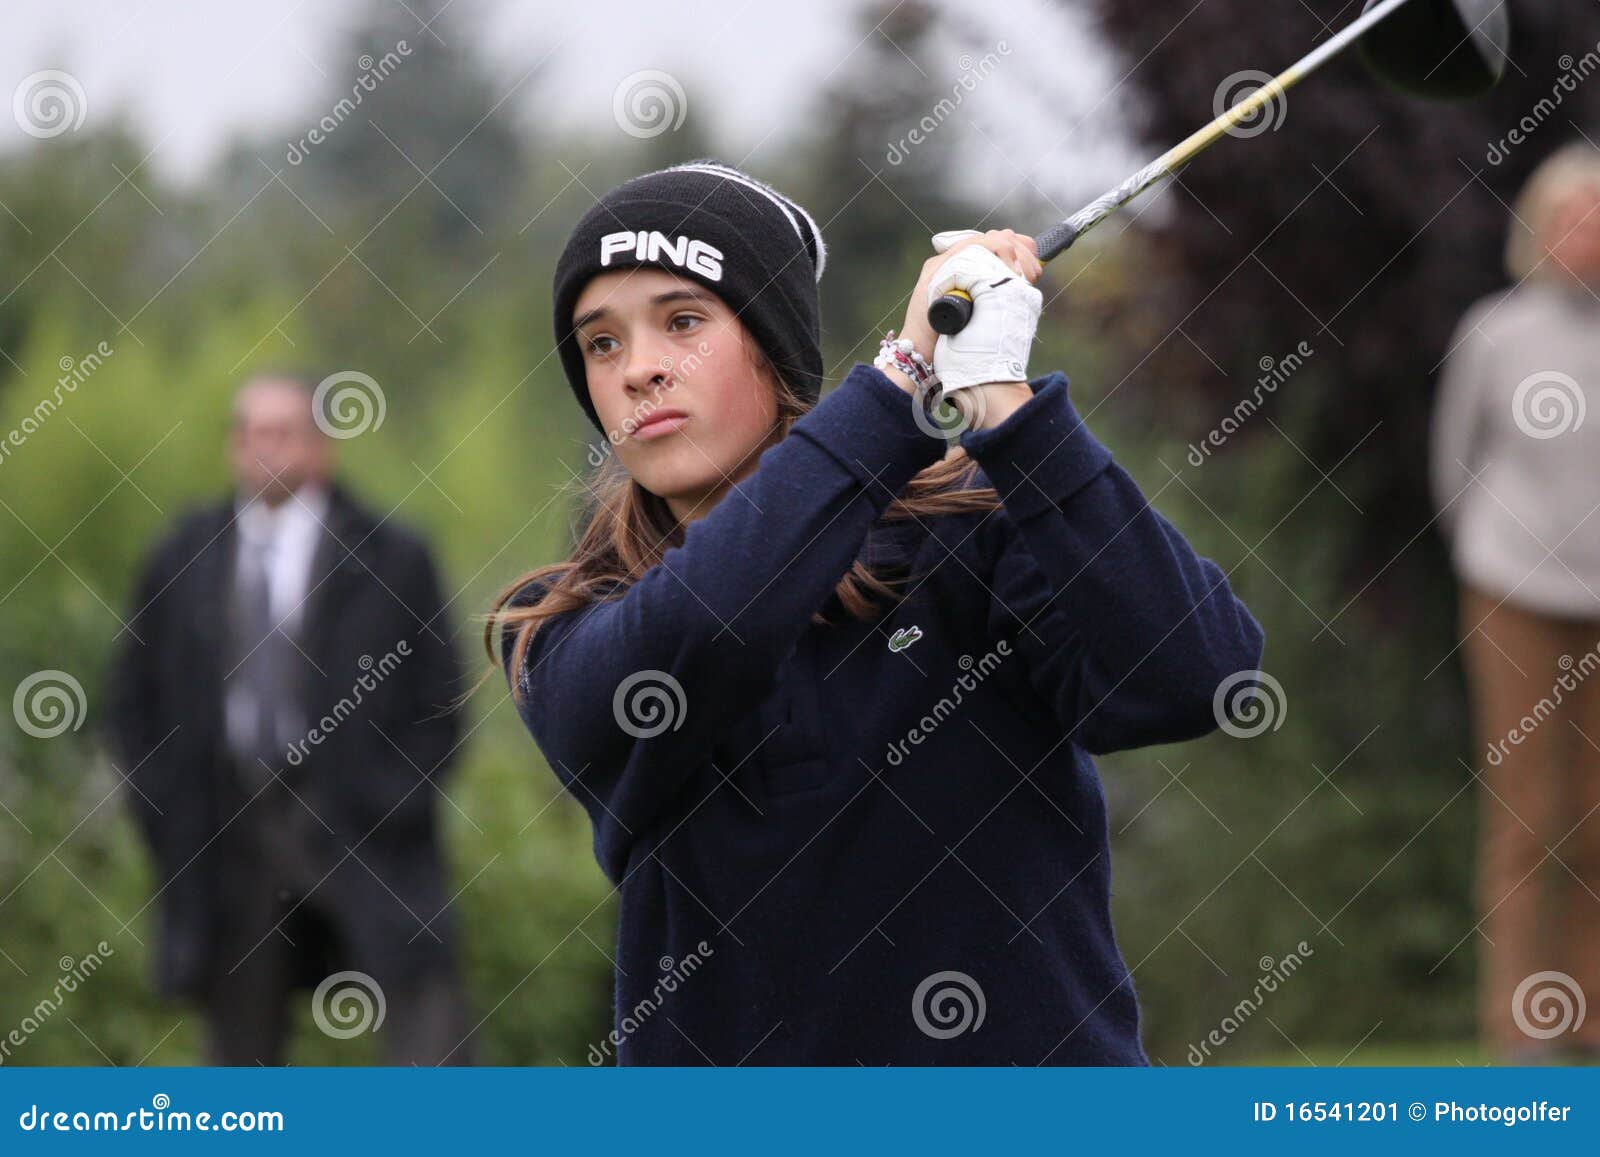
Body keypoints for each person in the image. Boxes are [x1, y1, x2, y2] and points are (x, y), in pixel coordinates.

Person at [485, 159, 1265, 1064]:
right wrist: (899, 383)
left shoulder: (968, 533)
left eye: (684, 321)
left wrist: (1004, 403)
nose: (640, 369)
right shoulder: (559, 626)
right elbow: (704, 624)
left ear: (774, 347)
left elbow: (1198, 673)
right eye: (601, 343)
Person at [106, 373, 475, 1065]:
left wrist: (396, 794)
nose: (266, 447)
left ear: (322, 445)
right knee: (241, 1052)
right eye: (251, 430)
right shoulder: (182, 555)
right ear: (232, 445)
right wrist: (164, 805)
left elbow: (443, 696)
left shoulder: (392, 554)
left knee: (430, 1031)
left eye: (285, 430)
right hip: (229, 828)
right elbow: (133, 698)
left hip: (366, 826)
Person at [1432, 140, 1600, 1064]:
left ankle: (1591, 1014)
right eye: (1572, 218)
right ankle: (1522, 1028)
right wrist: (1484, 557)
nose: (1588, 237)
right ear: (1537, 231)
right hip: (1513, 594)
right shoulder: (1494, 334)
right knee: (1530, 814)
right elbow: (1454, 468)